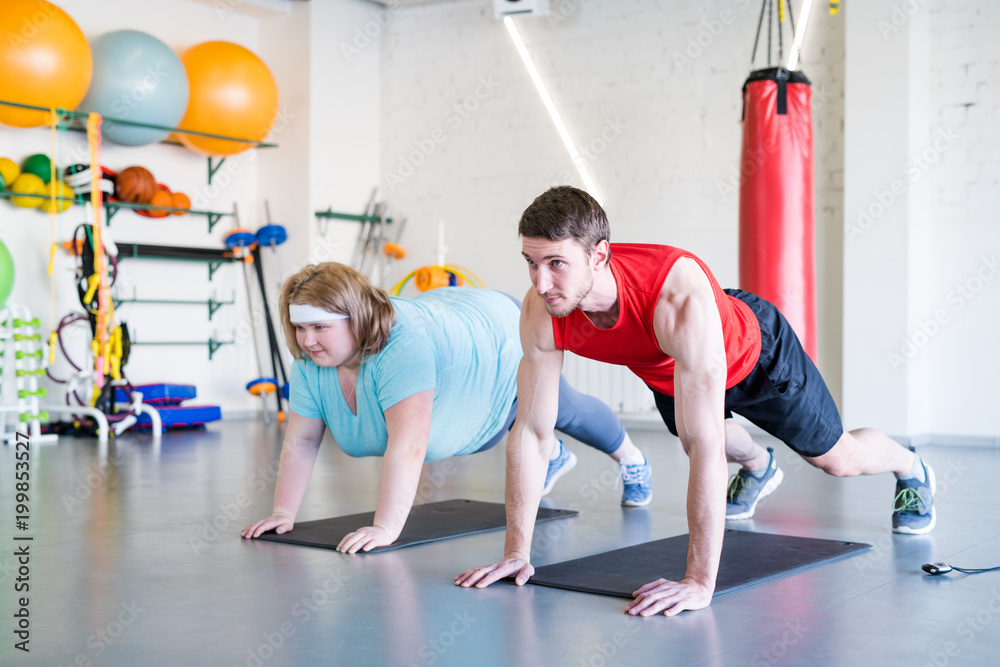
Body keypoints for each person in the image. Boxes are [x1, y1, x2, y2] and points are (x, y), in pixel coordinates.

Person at [455, 186, 935, 616]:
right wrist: (517, 551)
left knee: (837, 460)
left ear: (599, 256)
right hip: (671, 366)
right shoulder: (543, 309)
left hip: (753, 355)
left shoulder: (673, 294)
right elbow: (534, 433)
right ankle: (759, 467)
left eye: (556, 264)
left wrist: (699, 582)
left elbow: (703, 448)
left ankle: (909, 466)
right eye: (531, 263)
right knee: (708, 436)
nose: (540, 283)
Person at [241, 262, 652, 553]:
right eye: (300, 327)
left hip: (496, 334)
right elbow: (302, 440)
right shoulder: (312, 365)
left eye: (320, 327)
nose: (308, 340)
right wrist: (283, 512)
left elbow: (409, 447)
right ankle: (553, 455)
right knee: (528, 424)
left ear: (357, 318)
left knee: (564, 408)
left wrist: (385, 527)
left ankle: (632, 460)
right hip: (455, 340)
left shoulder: (402, 347)